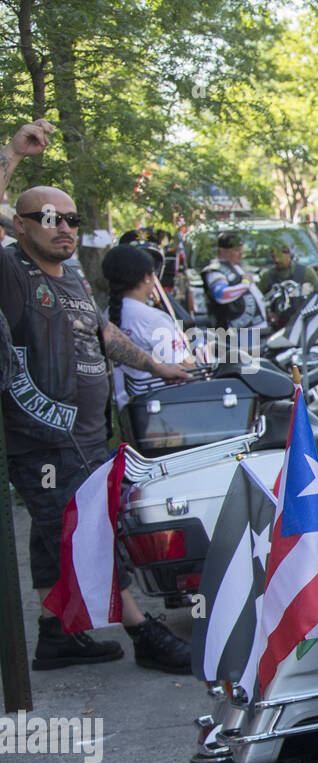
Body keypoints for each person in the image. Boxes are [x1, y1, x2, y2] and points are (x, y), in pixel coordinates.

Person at [0, 119, 192, 673]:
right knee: (84, 532)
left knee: (50, 537)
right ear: (20, 225)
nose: (64, 228)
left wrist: (160, 366)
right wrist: (14, 152)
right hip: (43, 440)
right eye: (49, 218)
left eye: (71, 219)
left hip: (85, 435)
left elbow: (103, 336)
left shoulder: (70, 279)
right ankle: (144, 632)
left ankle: (55, 634)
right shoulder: (12, 273)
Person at [102, 244, 192, 408]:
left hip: (121, 409)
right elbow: (186, 370)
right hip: (158, 410)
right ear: (147, 277)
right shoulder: (154, 319)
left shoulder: (105, 315)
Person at [201, 231, 268, 345]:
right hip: (235, 333)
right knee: (245, 361)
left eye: (241, 250)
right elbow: (222, 295)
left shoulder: (235, 267)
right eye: (236, 250)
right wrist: (245, 284)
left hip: (252, 329)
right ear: (222, 251)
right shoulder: (215, 270)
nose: (241, 254)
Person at [257, 237, 318, 327]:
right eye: (273, 256)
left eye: (279, 256)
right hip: (276, 327)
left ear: (288, 254)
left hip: (301, 324)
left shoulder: (306, 272)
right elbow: (258, 301)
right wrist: (268, 314)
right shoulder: (267, 276)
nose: (276, 260)